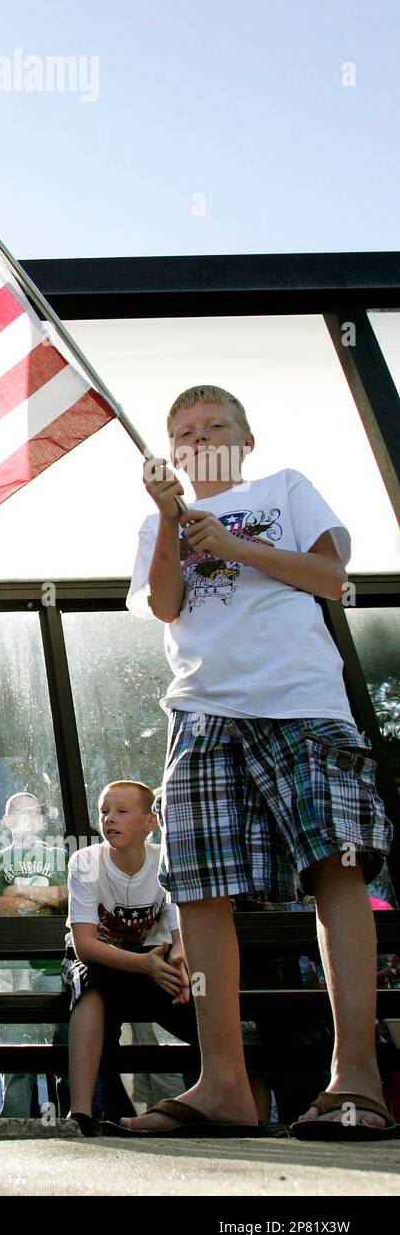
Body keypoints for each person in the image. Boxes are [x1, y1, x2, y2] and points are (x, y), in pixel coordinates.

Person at [128, 384, 395, 1139]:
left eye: (217, 425)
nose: (201, 436)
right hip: (202, 711)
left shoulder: (287, 489)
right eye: (185, 431)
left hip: (301, 703)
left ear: (245, 438)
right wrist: (173, 523)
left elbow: (332, 580)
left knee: (334, 872)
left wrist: (237, 545)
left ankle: (357, 1080)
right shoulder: (158, 521)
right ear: (172, 452)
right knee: (202, 891)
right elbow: (167, 605)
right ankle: (223, 1086)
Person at [61, 782, 198, 1137]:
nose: (110, 820)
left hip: (150, 959)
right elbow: (85, 947)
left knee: (196, 988)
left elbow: (180, 934)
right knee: (89, 986)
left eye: (122, 811)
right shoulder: (86, 862)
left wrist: (179, 964)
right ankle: (81, 1113)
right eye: (105, 812)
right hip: (99, 961)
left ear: (150, 822)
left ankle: (218, 1094)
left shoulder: (164, 861)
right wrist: (145, 966)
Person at [0, 792, 68, 1118]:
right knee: (15, 1051)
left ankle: (73, 1115)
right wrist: (43, 899)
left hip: (54, 965)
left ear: (42, 820)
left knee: (63, 1049)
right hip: (11, 967)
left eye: (34, 811)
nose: (27, 817)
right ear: (7, 820)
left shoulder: (59, 857)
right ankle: (15, 1120)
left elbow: (65, 898)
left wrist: (21, 892)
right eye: (18, 812)